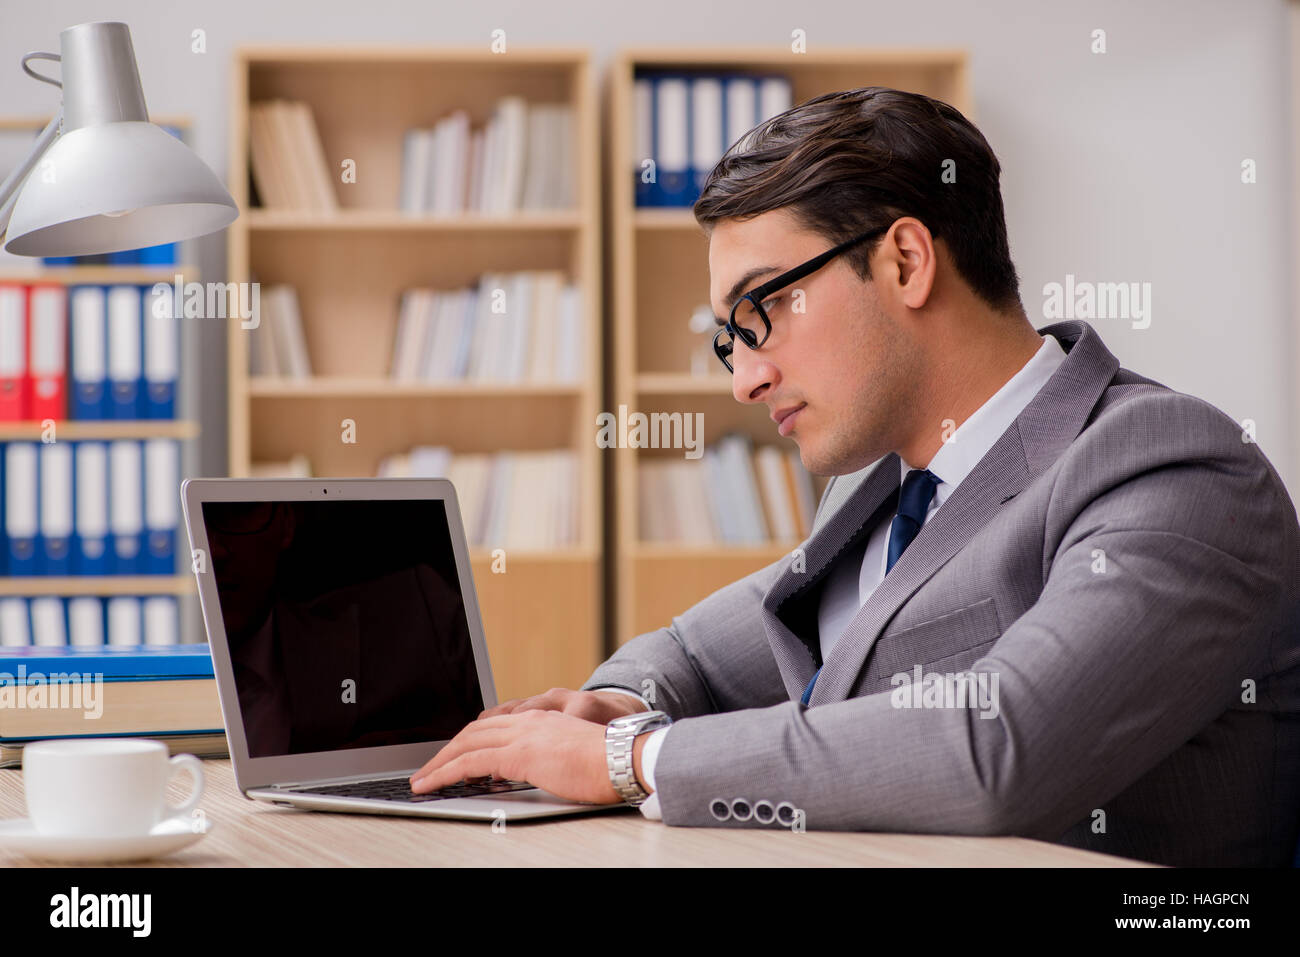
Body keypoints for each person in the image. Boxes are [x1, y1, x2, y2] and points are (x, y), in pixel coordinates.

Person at [409, 87, 1300, 867]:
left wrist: (634, 760)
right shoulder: (883, 492)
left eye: (762, 311)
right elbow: (688, 657)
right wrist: (614, 703)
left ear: (905, 262)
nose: (743, 378)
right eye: (729, 336)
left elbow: (997, 746)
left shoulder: (1174, 468)